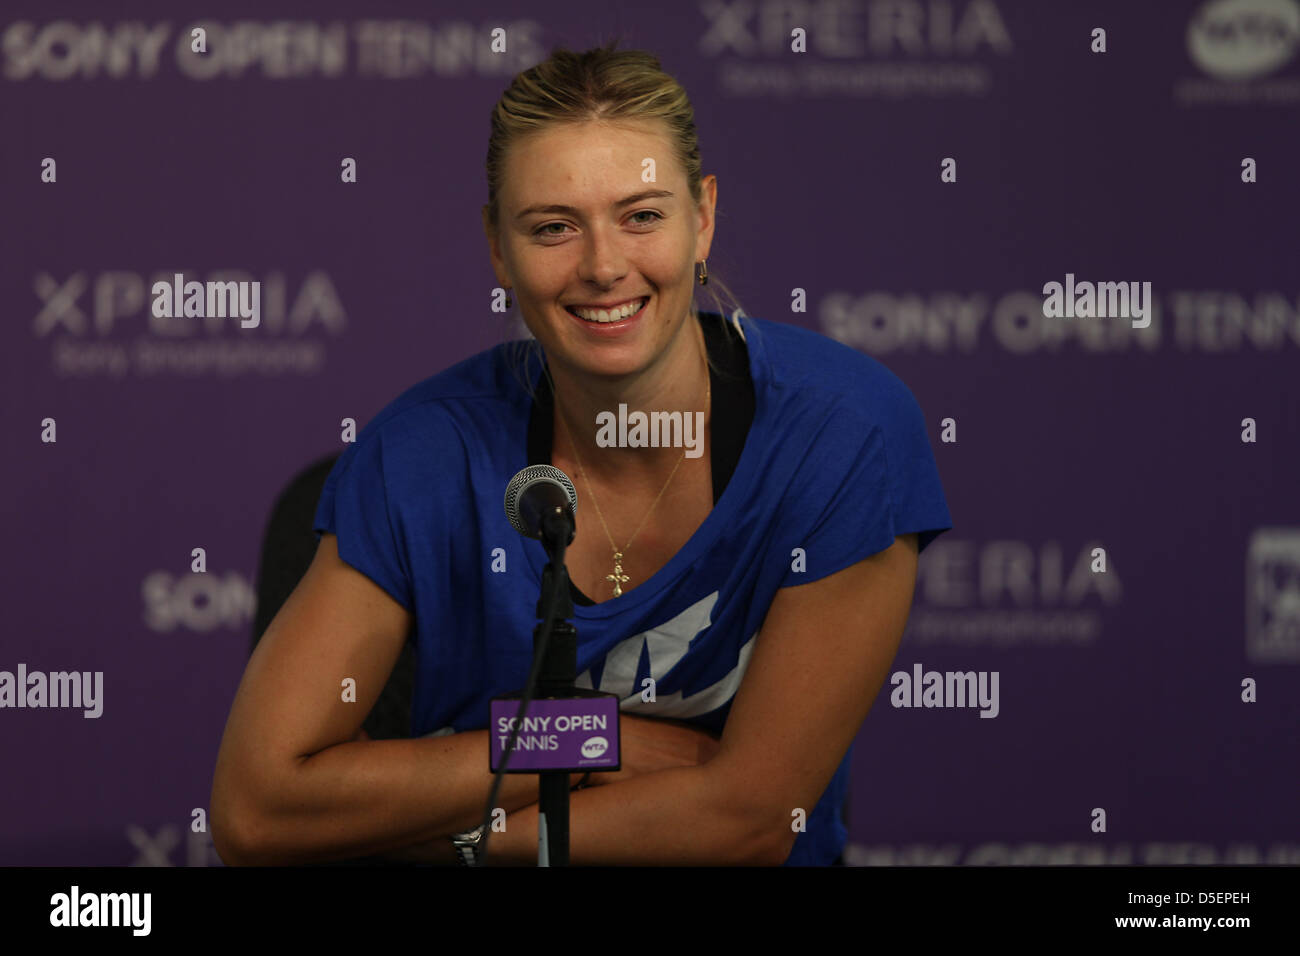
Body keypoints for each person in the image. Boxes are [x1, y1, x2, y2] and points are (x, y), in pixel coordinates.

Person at [211, 40, 952, 867]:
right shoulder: (421, 453)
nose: (604, 267)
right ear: (498, 246)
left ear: (702, 219)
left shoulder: (842, 434)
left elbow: (747, 823)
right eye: (553, 227)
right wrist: (599, 742)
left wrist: (459, 838)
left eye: (642, 215)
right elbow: (256, 811)